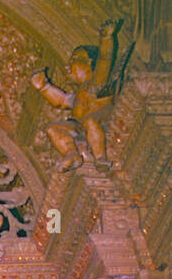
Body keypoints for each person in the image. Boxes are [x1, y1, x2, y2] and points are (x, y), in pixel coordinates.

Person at [29, 22, 122, 171]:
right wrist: (43, 87)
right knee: (52, 129)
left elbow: (105, 59)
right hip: (78, 124)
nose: (67, 66)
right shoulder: (79, 94)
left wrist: (106, 38)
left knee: (90, 122)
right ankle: (72, 154)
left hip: (98, 120)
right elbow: (60, 101)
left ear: (90, 63)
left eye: (74, 60)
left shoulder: (97, 83)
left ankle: (100, 158)